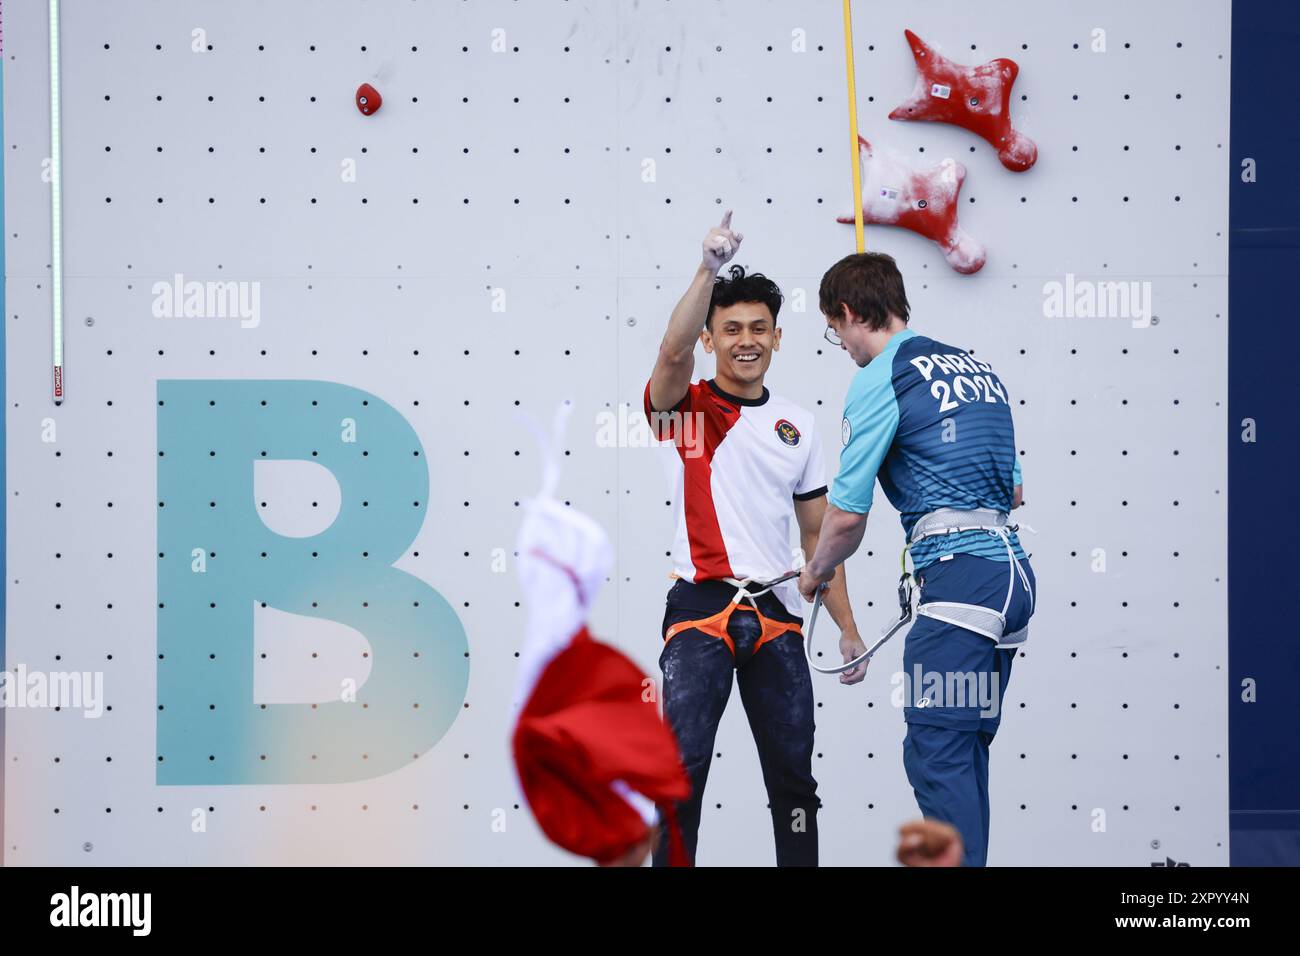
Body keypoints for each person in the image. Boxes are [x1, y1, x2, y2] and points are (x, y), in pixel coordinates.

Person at [798, 251, 1035, 867]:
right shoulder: (975, 366)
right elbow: (1013, 491)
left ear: (849, 313)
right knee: (964, 748)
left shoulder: (880, 378)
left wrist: (815, 572)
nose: (842, 345)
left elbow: (846, 518)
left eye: (835, 329)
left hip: (960, 579)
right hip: (1010, 578)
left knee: (935, 750)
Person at [645, 212, 866, 867]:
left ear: (777, 337)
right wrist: (707, 270)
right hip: (699, 612)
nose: (747, 340)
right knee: (679, 775)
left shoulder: (799, 424)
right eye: (731, 328)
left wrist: (850, 629)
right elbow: (668, 354)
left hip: (777, 616)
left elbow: (820, 538)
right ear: (711, 338)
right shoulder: (682, 406)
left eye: (759, 329)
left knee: (794, 782)